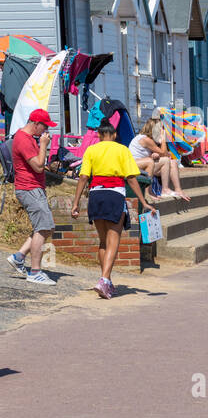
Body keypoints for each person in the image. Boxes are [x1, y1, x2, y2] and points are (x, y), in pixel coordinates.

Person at [70, 121, 157, 299]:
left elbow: (84, 176)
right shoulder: (122, 150)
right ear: (115, 135)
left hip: (95, 195)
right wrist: (144, 201)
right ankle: (103, 279)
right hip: (114, 195)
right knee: (113, 241)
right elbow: (131, 178)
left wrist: (76, 202)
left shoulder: (91, 150)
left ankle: (107, 281)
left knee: (102, 241)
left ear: (100, 135)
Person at [5, 109, 59, 285]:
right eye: (44, 127)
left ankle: (19, 257)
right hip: (29, 188)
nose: (46, 132)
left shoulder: (27, 138)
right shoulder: (24, 139)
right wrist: (43, 144)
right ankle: (35, 271)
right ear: (35, 123)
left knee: (45, 227)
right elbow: (37, 166)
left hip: (32, 188)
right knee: (43, 228)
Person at [128, 118, 189, 200]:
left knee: (173, 162)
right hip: (135, 166)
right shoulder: (145, 139)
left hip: (144, 165)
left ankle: (178, 190)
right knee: (166, 160)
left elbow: (165, 154)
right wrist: (163, 139)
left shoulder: (150, 140)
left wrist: (156, 154)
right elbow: (164, 154)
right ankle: (163, 190)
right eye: (161, 129)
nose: (163, 131)